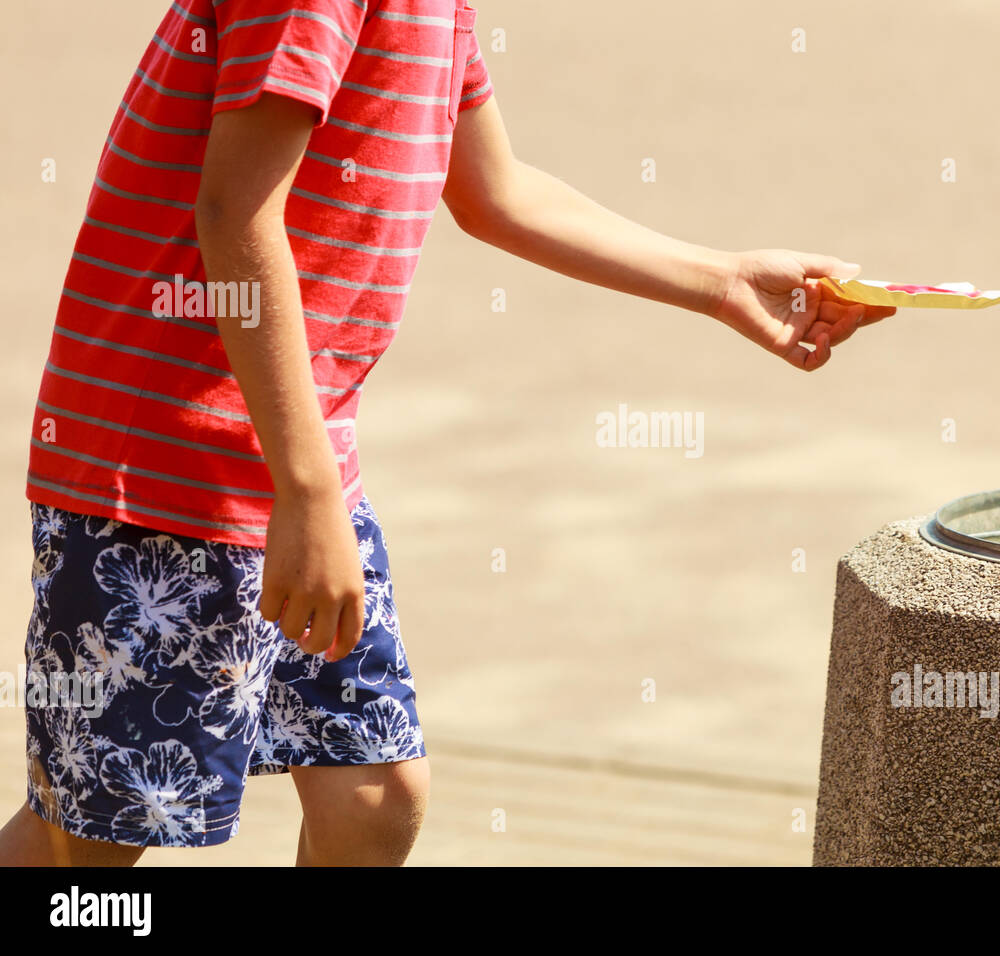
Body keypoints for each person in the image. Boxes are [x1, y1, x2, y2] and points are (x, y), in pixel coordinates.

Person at [1, 0, 894, 866]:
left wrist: (724, 280)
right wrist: (307, 495)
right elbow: (235, 211)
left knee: (374, 798)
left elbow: (495, 192)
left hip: (294, 456)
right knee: (87, 842)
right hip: (161, 467)